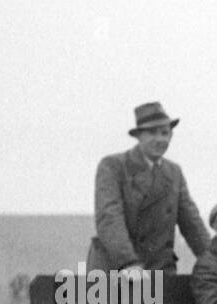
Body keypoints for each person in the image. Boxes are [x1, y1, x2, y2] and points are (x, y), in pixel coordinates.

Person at [88, 101, 210, 279]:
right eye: (152, 133)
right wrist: (128, 263)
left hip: (159, 270)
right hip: (115, 270)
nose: (160, 139)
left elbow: (192, 223)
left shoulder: (173, 172)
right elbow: (109, 217)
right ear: (139, 136)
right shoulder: (114, 166)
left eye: (165, 133)